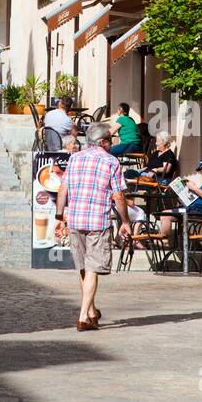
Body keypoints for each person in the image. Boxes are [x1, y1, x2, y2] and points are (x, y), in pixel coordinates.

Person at [56, 121, 130, 331]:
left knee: (84, 268)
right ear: (103, 141)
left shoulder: (75, 158)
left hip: (76, 220)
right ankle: (82, 317)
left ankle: (91, 311)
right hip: (98, 221)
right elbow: (118, 195)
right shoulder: (111, 162)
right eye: (110, 140)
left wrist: (60, 216)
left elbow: (63, 189)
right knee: (91, 269)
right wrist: (125, 222)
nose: (111, 144)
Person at [160, 157, 202, 239]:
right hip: (195, 210)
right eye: (201, 170)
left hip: (199, 212)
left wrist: (194, 188)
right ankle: (167, 241)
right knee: (165, 213)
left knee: (165, 215)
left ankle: (163, 241)